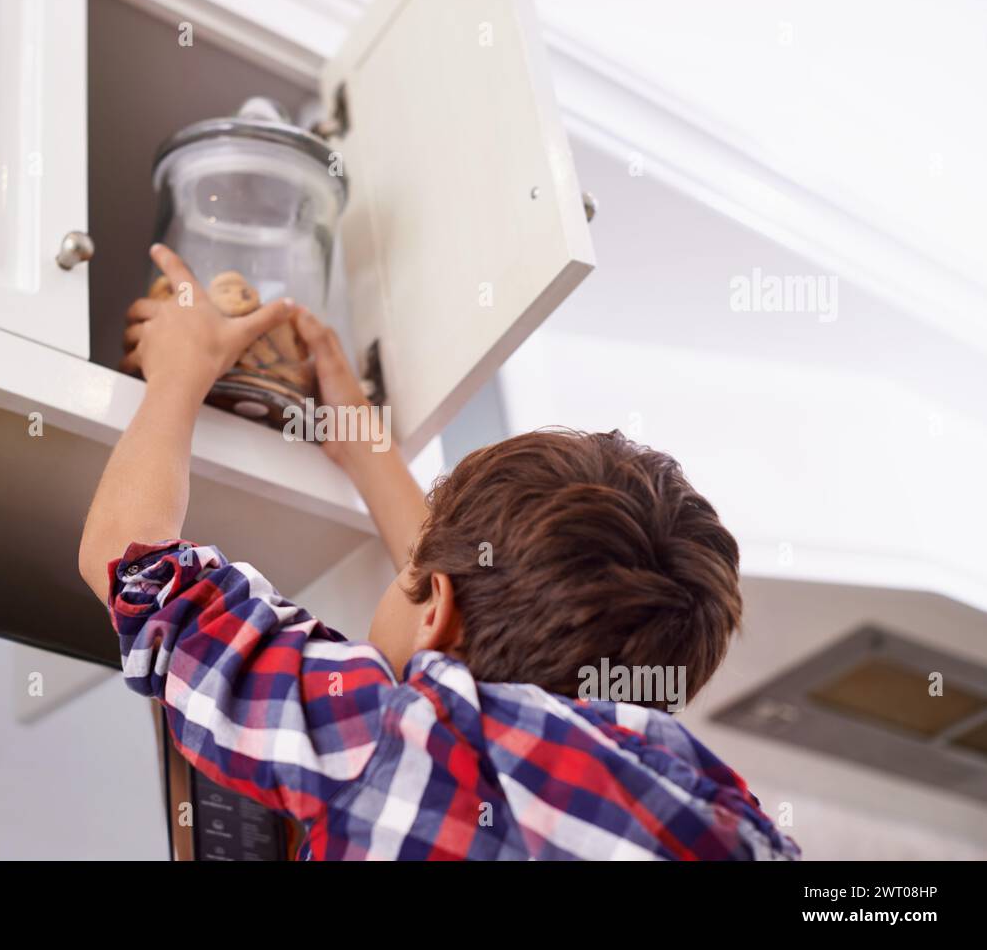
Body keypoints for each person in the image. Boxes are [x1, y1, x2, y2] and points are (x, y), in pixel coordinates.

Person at [78, 243, 800, 860]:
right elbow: (470, 636)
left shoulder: (390, 738)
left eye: (411, 576)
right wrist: (364, 444)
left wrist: (179, 376)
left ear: (437, 608)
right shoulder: (733, 820)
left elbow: (133, 569)